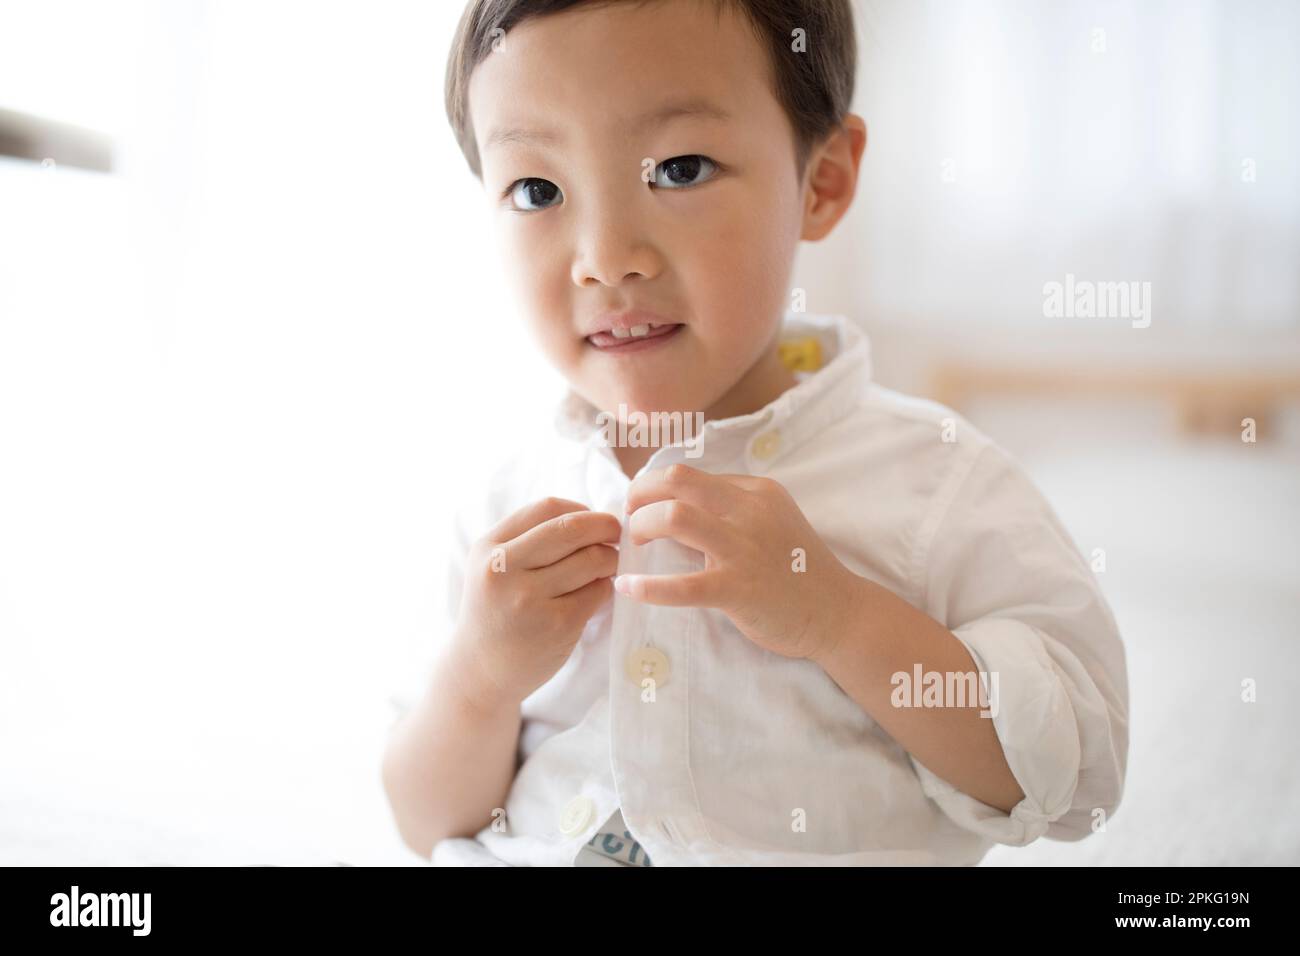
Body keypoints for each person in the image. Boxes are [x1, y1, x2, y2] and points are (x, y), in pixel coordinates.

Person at [381, 0, 1129, 866]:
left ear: (823, 182)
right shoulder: (504, 507)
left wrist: (837, 618)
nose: (607, 254)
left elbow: (1077, 773)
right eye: (537, 190)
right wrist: (481, 675)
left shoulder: (937, 483)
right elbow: (424, 821)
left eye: (681, 168)